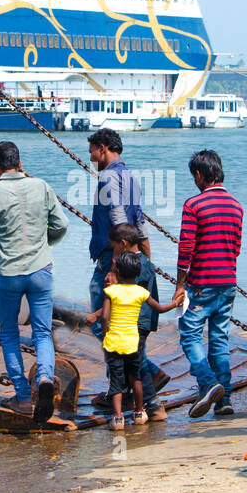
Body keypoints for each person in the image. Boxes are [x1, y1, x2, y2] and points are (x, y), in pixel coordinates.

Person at [0, 140, 69, 419]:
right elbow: (61, 225)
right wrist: (44, 243)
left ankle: (23, 398)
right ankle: (44, 379)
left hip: (9, 275)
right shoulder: (41, 186)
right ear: (20, 163)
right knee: (41, 333)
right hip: (41, 271)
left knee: (9, 334)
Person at [85, 128, 164, 393]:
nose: (91, 159)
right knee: (123, 322)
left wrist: (114, 269)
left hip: (113, 256)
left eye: (93, 152)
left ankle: (146, 372)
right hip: (132, 255)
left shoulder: (108, 177)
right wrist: (147, 261)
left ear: (103, 148)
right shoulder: (131, 177)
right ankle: (121, 389)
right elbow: (139, 221)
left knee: (103, 323)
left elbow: (119, 220)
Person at [175, 150, 244, 419]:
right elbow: (236, 248)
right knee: (219, 339)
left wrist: (181, 285)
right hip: (228, 282)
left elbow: (186, 249)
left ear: (200, 175)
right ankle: (224, 399)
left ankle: (207, 382)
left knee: (190, 334)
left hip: (202, 283)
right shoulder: (237, 206)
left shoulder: (194, 205)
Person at [84, 250, 180, 430]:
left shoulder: (111, 291)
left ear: (117, 272)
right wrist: (175, 303)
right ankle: (139, 412)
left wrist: (106, 333)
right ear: (137, 273)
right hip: (133, 343)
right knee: (135, 378)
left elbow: (104, 317)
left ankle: (118, 417)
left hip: (114, 343)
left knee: (116, 381)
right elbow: (158, 308)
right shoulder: (141, 292)